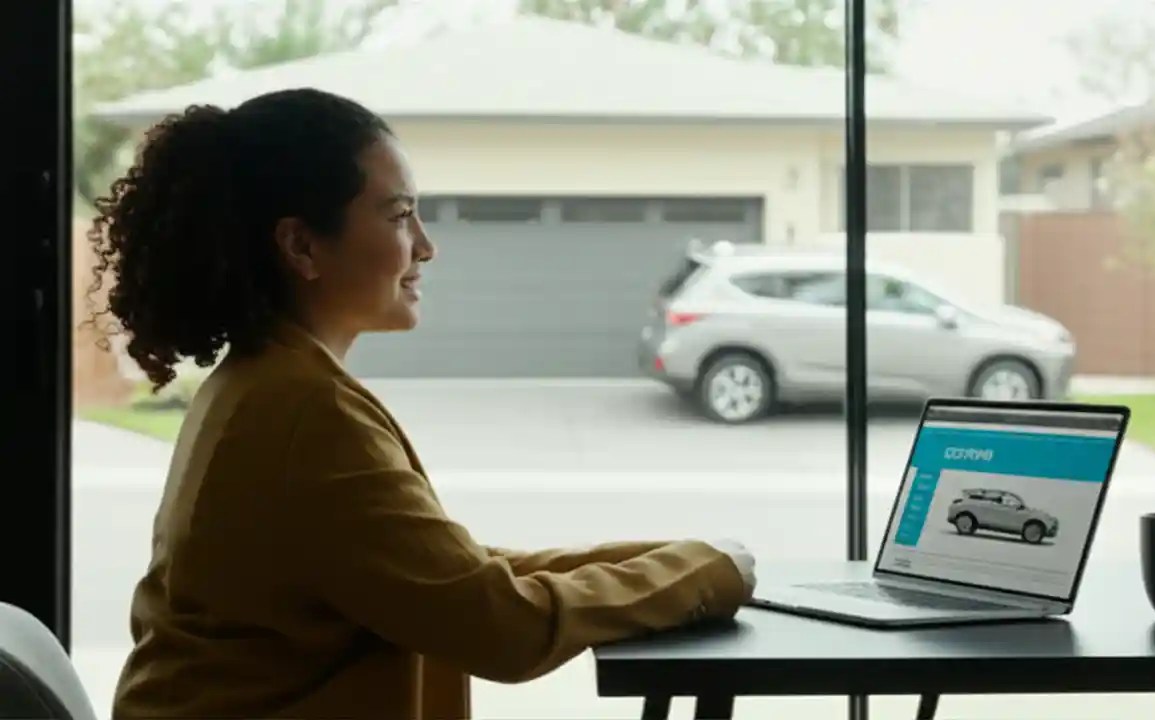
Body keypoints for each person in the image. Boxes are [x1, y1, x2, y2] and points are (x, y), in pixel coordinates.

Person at [89, 88, 756, 719]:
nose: (426, 247)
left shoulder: (263, 383)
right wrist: (693, 578)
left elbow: (444, 573)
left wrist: (678, 560)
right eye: (400, 215)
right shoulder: (304, 413)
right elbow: (500, 626)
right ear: (301, 245)